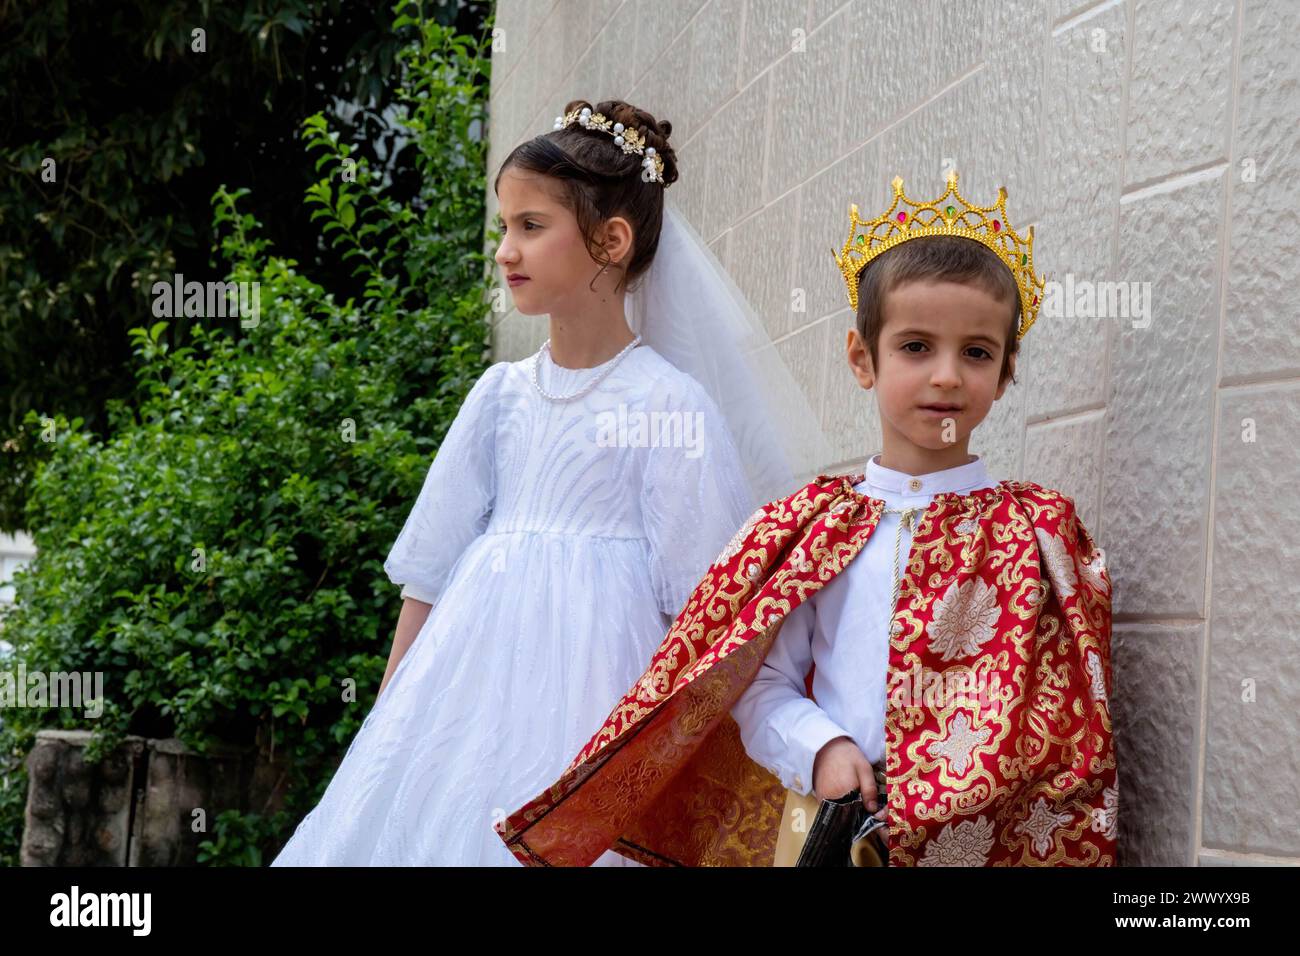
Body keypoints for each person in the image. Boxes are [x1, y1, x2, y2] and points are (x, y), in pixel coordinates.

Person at [495, 170, 1118, 867]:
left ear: (1005, 374)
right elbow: (759, 683)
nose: (947, 376)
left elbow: (1073, 725)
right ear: (862, 358)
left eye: (976, 352)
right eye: (916, 347)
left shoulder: (1036, 532)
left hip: (985, 845)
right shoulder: (812, 529)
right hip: (836, 830)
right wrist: (819, 747)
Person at [270, 99, 830, 866]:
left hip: (597, 708)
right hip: (460, 701)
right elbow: (429, 579)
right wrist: (386, 719)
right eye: (504, 227)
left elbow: (701, 611)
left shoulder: (667, 404)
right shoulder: (498, 397)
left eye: (531, 226)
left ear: (611, 240)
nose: (506, 250)